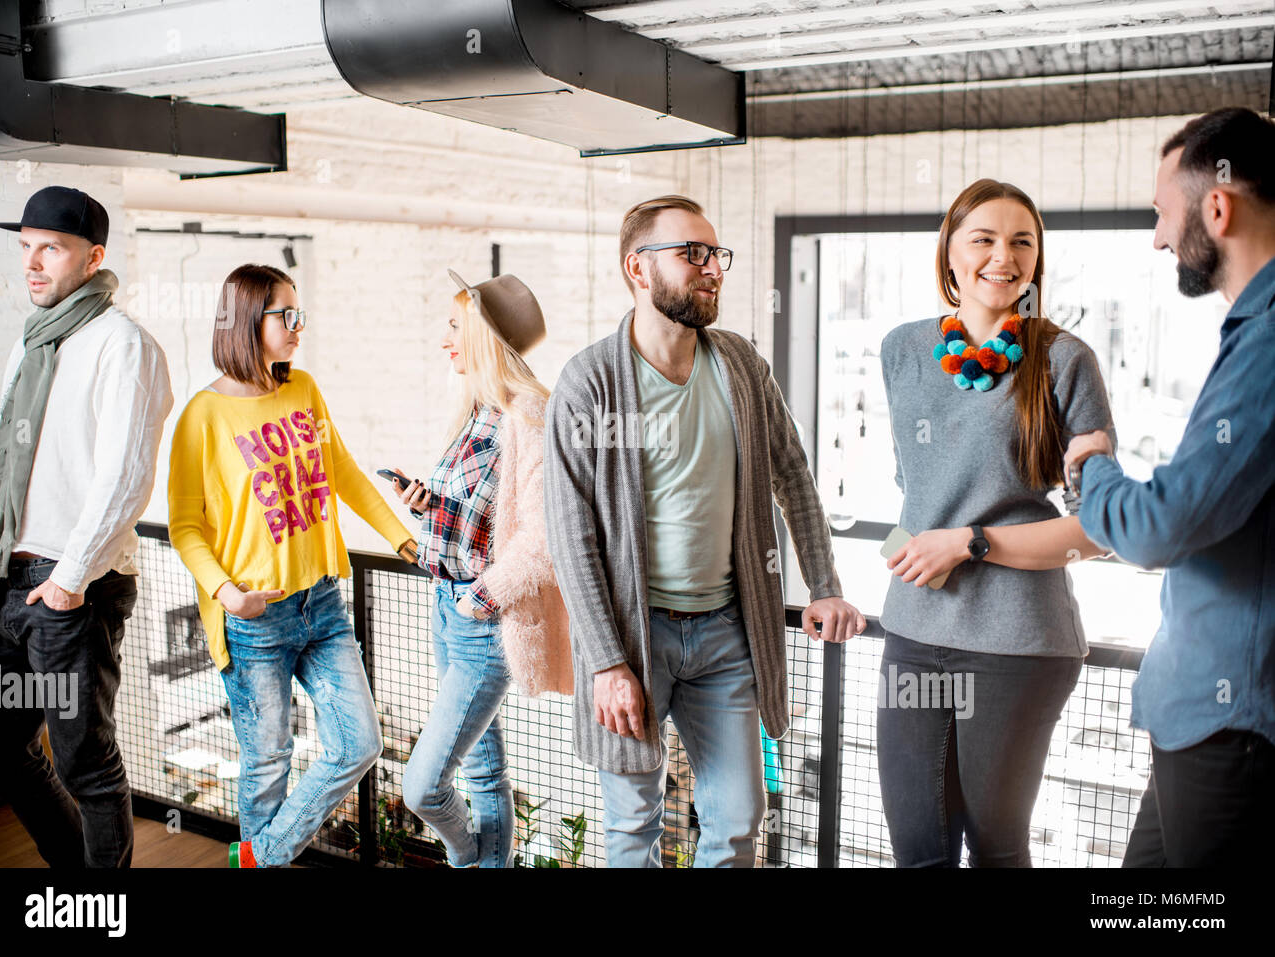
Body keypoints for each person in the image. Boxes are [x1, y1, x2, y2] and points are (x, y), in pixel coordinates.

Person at [544, 195, 866, 868]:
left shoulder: (740, 365)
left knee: (739, 818)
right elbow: (570, 534)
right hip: (635, 637)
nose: (711, 268)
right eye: (692, 254)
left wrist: (825, 585)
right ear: (638, 267)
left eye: (715, 254)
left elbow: (793, 475)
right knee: (634, 824)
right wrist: (606, 663)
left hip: (726, 632)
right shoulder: (590, 382)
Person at [876, 178, 1115, 867]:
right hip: (914, 635)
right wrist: (906, 551)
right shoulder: (901, 351)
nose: (1002, 256)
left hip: (1018, 645)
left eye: (1021, 242)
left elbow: (1097, 528)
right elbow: (912, 491)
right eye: (983, 238)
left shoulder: (1065, 359)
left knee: (995, 848)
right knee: (918, 852)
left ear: (1037, 259)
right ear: (949, 252)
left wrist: (971, 542)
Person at [1063, 107, 1275, 866]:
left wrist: (1091, 463)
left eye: (1163, 212)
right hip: (1198, 720)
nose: (1158, 236)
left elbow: (1165, 523)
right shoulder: (1252, 328)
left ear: (1216, 207)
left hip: (1232, 733)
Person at [167, 263, 417, 868]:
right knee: (266, 765)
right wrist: (228, 594)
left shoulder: (302, 387)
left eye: (299, 314)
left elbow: (343, 471)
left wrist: (403, 540)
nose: (299, 327)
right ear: (250, 320)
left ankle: (259, 856)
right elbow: (185, 525)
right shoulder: (202, 416)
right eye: (288, 315)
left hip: (322, 604)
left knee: (359, 743)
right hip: (254, 619)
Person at [0, 185, 174, 867]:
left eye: (50, 248)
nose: (32, 262)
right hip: (7, 582)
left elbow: (125, 477)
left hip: (70, 590)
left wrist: (67, 582)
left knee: (85, 763)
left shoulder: (124, 346)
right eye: (26, 247)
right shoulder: (29, 346)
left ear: (92, 258)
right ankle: (73, 874)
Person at [396, 269, 571, 868]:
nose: (446, 339)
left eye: (454, 326)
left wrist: (483, 597)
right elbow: (484, 513)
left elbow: (545, 540)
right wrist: (430, 503)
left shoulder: (530, 417)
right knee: (484, 769)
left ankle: (470, 861)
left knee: (421, 787)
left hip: (482, 622)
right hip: (447, 608)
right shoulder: (477, 409)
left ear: (482, 335)